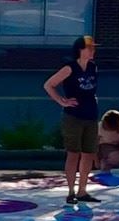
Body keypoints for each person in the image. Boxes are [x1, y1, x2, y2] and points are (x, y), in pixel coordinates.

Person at [43, 35, 100, 205]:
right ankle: (70, 191)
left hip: (91, 114)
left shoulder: (93, 67)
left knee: (88, 153)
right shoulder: (70, 68)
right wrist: (62, 100)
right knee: (73, 153)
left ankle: (83, 190)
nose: (92, 51)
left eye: (93, 48)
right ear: (80, 50)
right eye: (89, 48)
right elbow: (49, 85)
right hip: (73, 116)